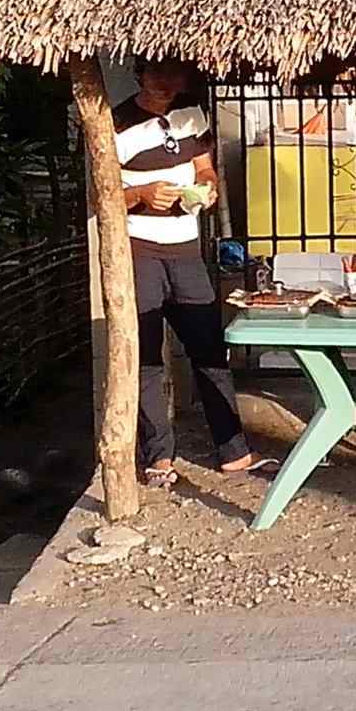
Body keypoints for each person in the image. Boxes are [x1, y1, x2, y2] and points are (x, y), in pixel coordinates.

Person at [115, 59, 276, 488]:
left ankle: (234, 451)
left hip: (186, 249)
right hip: (140, 250)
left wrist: (207, 188)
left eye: (174, 76)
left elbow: (204, 166)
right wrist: (142, 195)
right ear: (139, 74)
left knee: (209, 349)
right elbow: (104, 194)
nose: (167, 85)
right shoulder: (116, 124)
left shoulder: (192, 112)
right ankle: (158, 459)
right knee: (147, 356)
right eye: (157, 76)